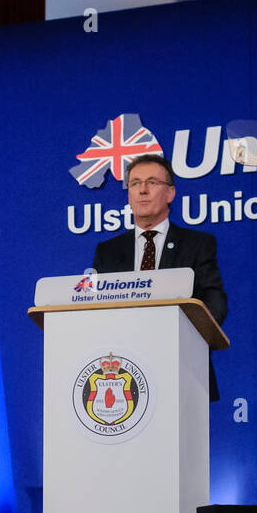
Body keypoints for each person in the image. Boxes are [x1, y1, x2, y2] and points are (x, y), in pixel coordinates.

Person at [92, 153, 228, 399]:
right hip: (123, 372)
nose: (142, 190)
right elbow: (98, 309)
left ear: (170, 193)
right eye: (135, 183)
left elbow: (214, 301)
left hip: (181, 365)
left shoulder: (198, 244)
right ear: (129, 195)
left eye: (152, 182)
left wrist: (182, 335)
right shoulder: (107, 251)